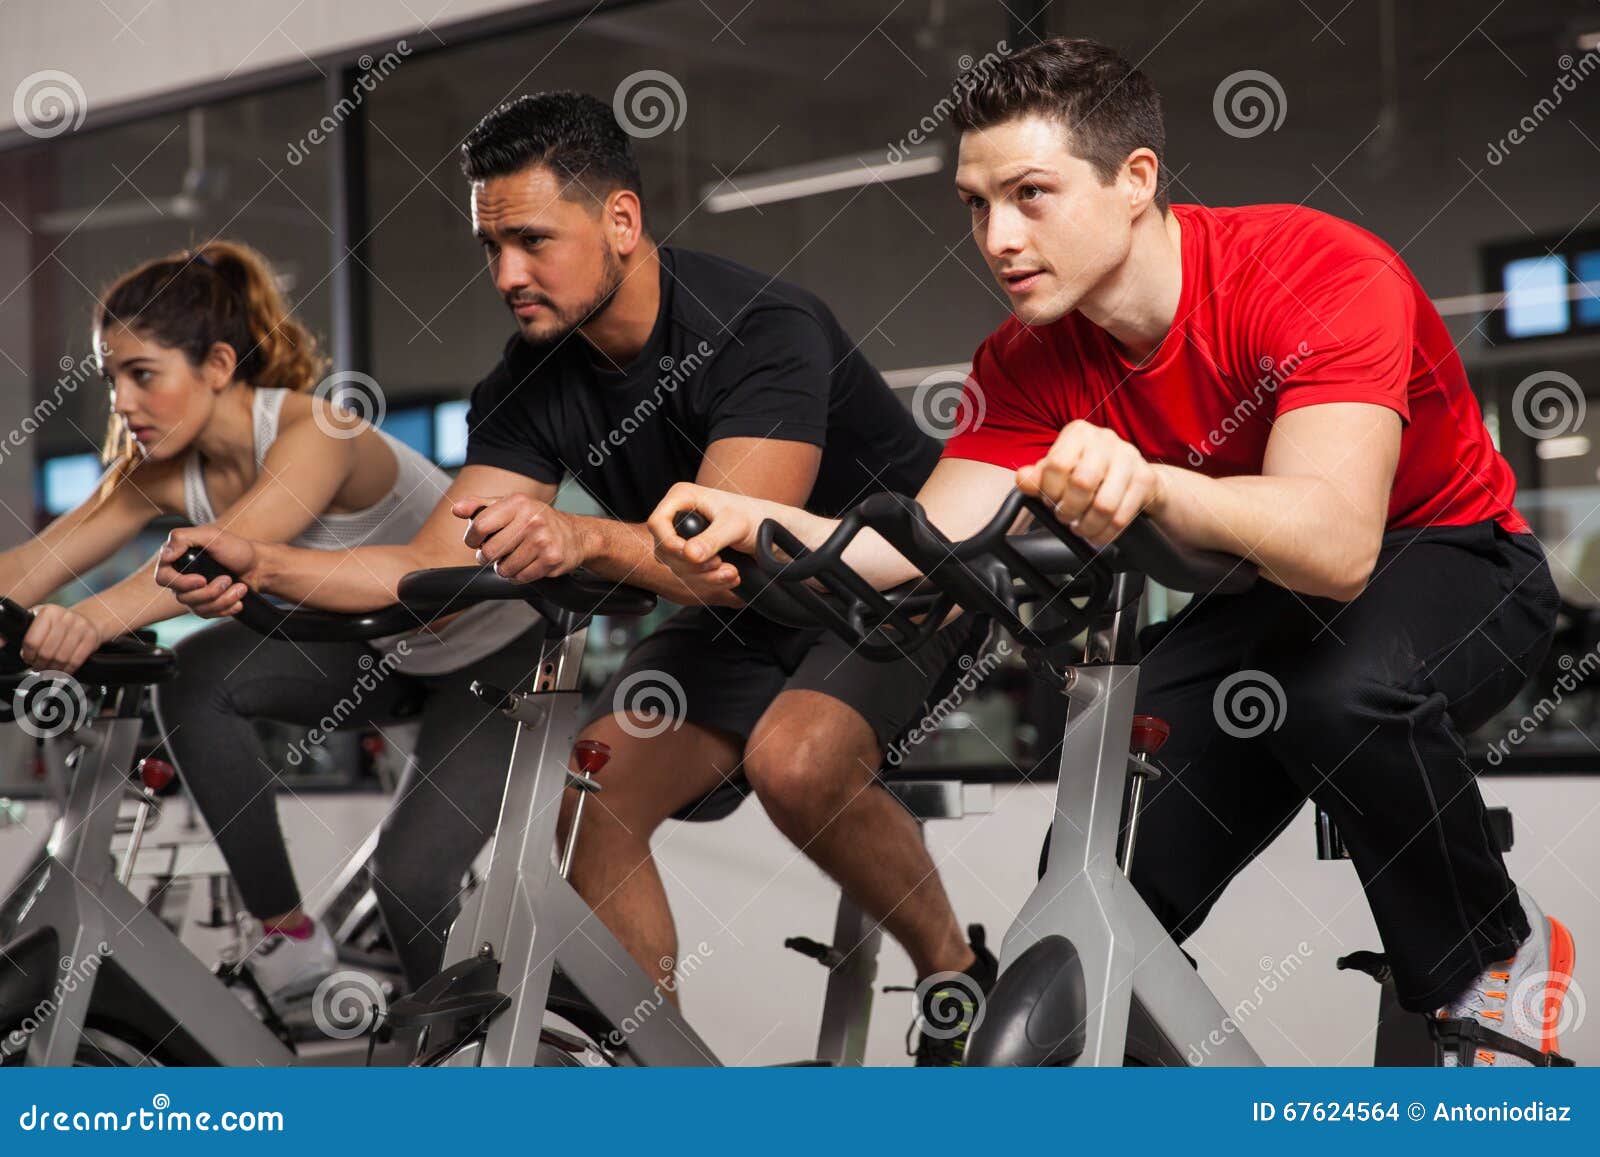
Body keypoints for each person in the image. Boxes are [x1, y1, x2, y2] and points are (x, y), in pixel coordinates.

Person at [648, 37, 1575, 1068]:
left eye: (1031, 194)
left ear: (1134, 181)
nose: (997, 236)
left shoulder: (1312, 271)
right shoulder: (1026, 359)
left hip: (1457, 558)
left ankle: (1491, 953)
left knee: (1338, 694)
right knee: (1095, 870)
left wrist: (1156, 480)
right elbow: (925, 538)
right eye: (974, 202)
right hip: (1267, 603)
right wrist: (764, 530)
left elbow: (1337, 545)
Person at [156, 92, 997, 1064]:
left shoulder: (760, 329)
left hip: (883, 594)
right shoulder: (529, 379)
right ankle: (659, 1074)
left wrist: (583, 540)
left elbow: (737, 555)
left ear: (622, 222)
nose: (507, 274)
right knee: (590, 789)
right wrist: (264, 561)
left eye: (532, 240)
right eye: (489, 247)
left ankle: (953, 972)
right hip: (734, 617)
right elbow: (432, 561)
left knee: (794, 758)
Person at [0, 240, 541, 1004]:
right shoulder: (159, 471)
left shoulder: (317, 433)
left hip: (494, 654)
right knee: (194, 678)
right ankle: (287, 940)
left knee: (414, 878)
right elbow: (27, 568)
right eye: (112, 377)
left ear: (218, 365)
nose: (121, 401)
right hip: (375, 653)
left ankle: (458, 1069)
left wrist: (82, 623)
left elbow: (234, 555)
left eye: (142, 374)